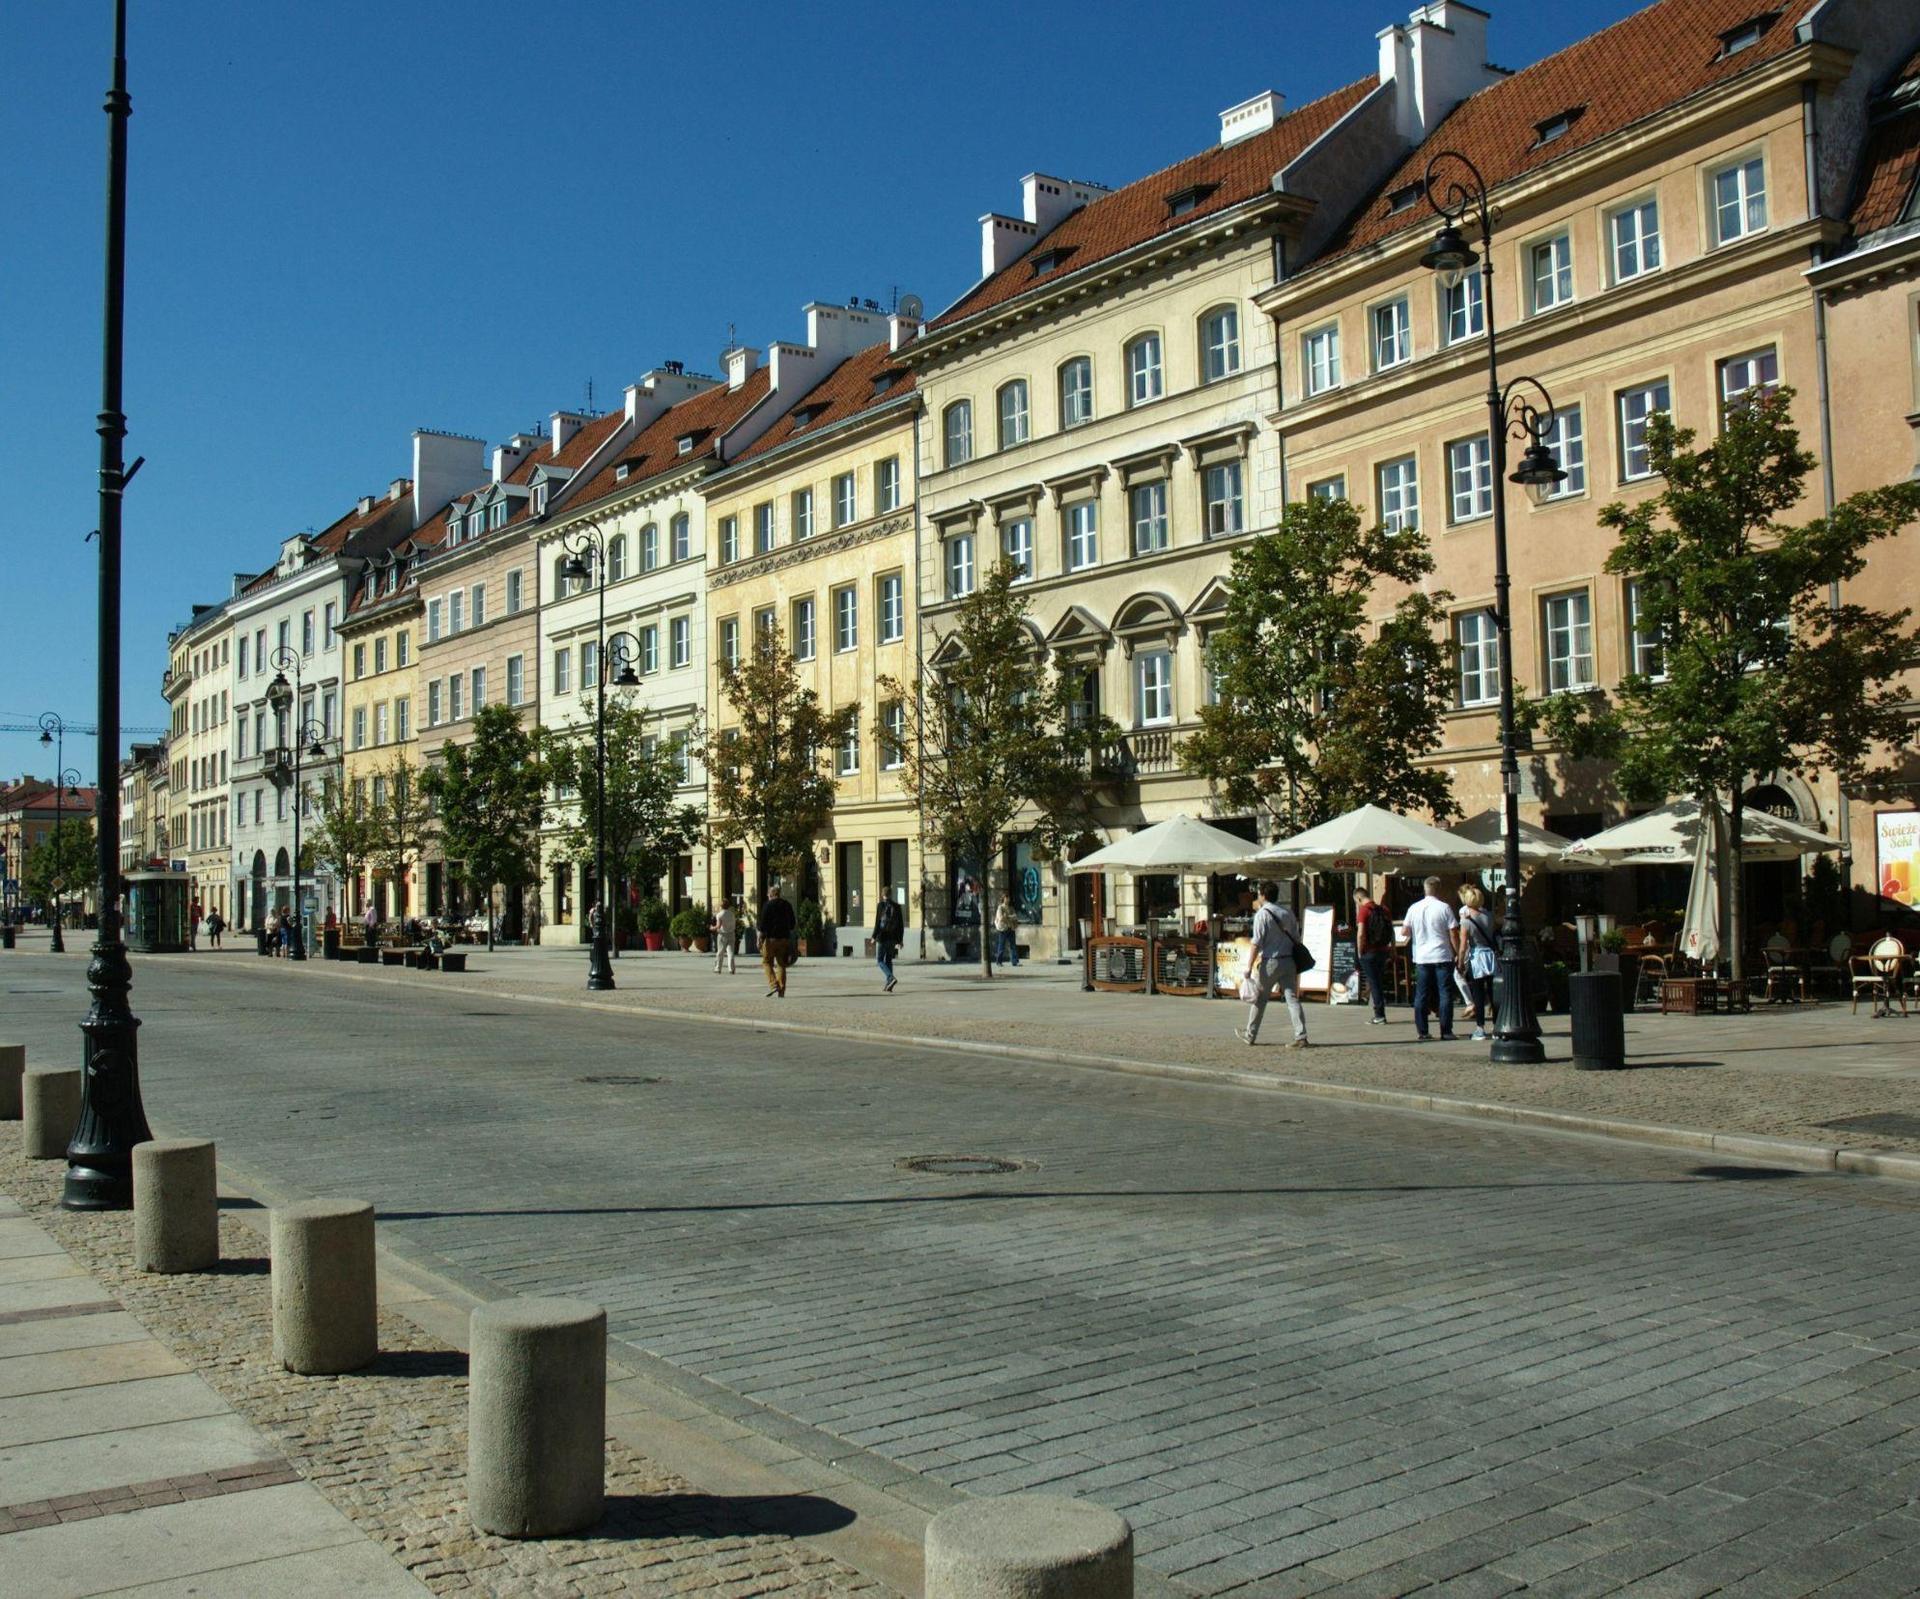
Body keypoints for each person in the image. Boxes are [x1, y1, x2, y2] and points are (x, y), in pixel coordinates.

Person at [1239, 881, 1307, 1049]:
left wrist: (1248, 966)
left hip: (1270, 962)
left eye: (1259, 894)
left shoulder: (1262, 914)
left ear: (1263, 895)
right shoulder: (1287, 912)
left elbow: (1256, 943)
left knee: (1260, 999)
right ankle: (1301, 1035)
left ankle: (1250, 1034)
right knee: (1292, 999)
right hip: (1289, 960)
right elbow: (1297, 938)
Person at [1405, 876, 1460, 1041]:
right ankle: (1446, 1031)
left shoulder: (1414, 908)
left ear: (1425, 889)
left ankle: (1422, 1031)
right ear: (1439, 889)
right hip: (1442, 955)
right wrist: (1457, 953)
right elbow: (1453, 933)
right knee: (1445, 993)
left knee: (1421, 994)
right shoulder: (1444, 908)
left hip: (1422, 957)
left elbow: (1405, 931)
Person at [1457, 883, 1497, 1042]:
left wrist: (1460, 962)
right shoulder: (1489, 917)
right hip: (1490, 956)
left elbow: (1462, 945)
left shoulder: (1466, 921)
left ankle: (1480, 1028)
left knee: (1478, 994)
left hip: (1477, 957)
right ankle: (1496, 1025)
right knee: (1493, 993)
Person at [1355, 890, 1393, 1025]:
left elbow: (1360, 934)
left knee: (1374, 983)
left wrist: (1359, 952)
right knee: (1378, 982)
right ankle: (1380, 1011)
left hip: (1369, 951)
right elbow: (1391, 931)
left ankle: (1379, 1015)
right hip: (1383, 950)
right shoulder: (1384, 909)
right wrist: (1392, 949)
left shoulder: (1364, 911)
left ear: (1359, 899)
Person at [758, 884, 795, 998]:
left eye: (768, 894)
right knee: (781, 964)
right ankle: (781, 990)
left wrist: (760, 938)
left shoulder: (767, 905)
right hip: (784, 939)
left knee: (766, 962)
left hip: (771, 939)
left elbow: (763, 924)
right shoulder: (787, 905)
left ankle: (774, 985)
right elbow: (792, 923)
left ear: (771, 894)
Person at [873, 893, 904, 992]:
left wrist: (874, 936)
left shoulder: (880, 905)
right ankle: (889, 984)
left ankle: (890, 977)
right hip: (893, 938)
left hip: (882, 937)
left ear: (882, 895)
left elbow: (877, 922)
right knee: (889, 960)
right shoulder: (897, 907)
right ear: (891, 894)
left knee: (879, 960)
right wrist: (900, 940)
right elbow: (901, 925)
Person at [712, 897, 738, 975]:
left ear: (721, 906)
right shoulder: (732, 914)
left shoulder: (720, 914)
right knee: (730, 952)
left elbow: (718, 926)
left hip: (722, 934)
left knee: (720, 952)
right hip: (731, 934)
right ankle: (731, 969)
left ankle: (718, 968)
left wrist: (712, 928)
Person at [992, 898, 1021, 968]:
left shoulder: (1011, 908)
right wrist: (1010, 917)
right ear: (1003, 899)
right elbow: (1001, 918)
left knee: (1013, 946)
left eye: (1008, 898)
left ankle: (1014, 961)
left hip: (1011, 928)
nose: (1008, 900)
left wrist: (1007, 917)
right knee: (1001, 946)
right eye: (1006, 898)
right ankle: (999, 962)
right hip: (1003, 929)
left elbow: (1015, 916)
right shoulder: (1000, 908)